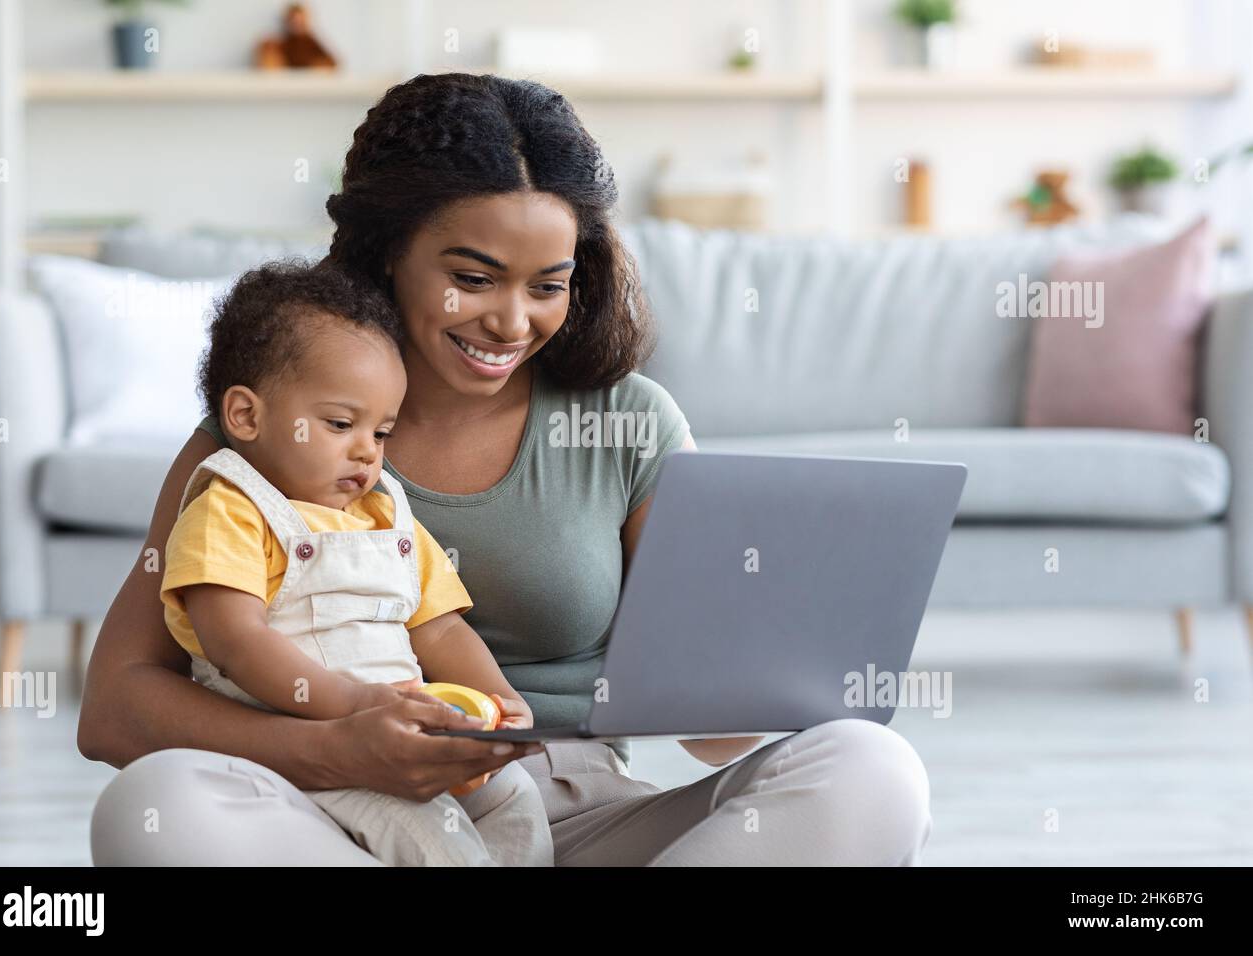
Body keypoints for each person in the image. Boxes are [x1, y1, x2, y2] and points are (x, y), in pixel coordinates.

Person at [83, 72, 932, 866]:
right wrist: (330, 746)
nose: (511, 322)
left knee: (871, 769)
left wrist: (771, 654)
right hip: (333, 805)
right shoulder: (272, 432)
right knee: (157, 803)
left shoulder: (628, 423)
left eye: (547, 285)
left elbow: (712, 742)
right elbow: (115, 708)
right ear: (386, 253)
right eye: (473, 278)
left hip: (575, 813)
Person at [156, 261, 551, 866]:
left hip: (407, 735)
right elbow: (234, 639)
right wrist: (352, 707)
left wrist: (498, 698)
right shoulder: (230, 510)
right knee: (435, 839)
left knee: (512, 801)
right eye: (341, 424)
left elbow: (439, 627)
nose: (368, 450)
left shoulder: (386, 514)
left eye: (383, 430)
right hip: (312, 758)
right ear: (245, 416)